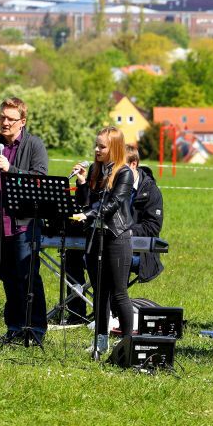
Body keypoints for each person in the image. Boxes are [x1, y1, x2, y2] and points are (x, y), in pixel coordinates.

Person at [0, 97, 49, 344]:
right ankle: (14, 327)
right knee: (7, 276)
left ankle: (35, 329)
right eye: (2, 117)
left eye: (10, 119)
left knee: (28, 277)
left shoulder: (34, 146)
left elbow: (40, 180)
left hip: (24, 225)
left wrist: (12, 170)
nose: (5, 122)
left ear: (22, 122)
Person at [71, 127, 135, 355]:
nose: (97, 150)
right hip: (95, 237)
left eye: (102, 146)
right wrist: (81, 184)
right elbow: (86, 203)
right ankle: (100, 342)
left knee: (118, 293)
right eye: (96, 145)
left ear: (114, 148)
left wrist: (88, 215)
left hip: (117, 237)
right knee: (99, 293)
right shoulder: (95, 172)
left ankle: (128, 345)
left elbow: (114, 204)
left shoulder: (124, 173)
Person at [125, 144, 164, 283]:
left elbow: (152, 227)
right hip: (109, 246)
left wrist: (125, 231)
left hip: (140, 252)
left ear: (133, 164)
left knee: (111, 260)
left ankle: (112, 304)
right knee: (71, 256)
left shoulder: (151, 191)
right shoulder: (112, 186)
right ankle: (74, 305)